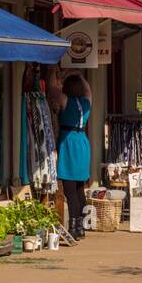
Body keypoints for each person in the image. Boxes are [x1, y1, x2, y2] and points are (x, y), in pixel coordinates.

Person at [50, 70, 92, 239]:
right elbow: (89, 91)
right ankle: (82, 226)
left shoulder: (66, 101)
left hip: (69, 143)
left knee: (69, 189)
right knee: (80, 187)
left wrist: (52, 71)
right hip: (82, 142)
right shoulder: (86, 103)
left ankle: (74, 225)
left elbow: (52, 90)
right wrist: (81, 77)